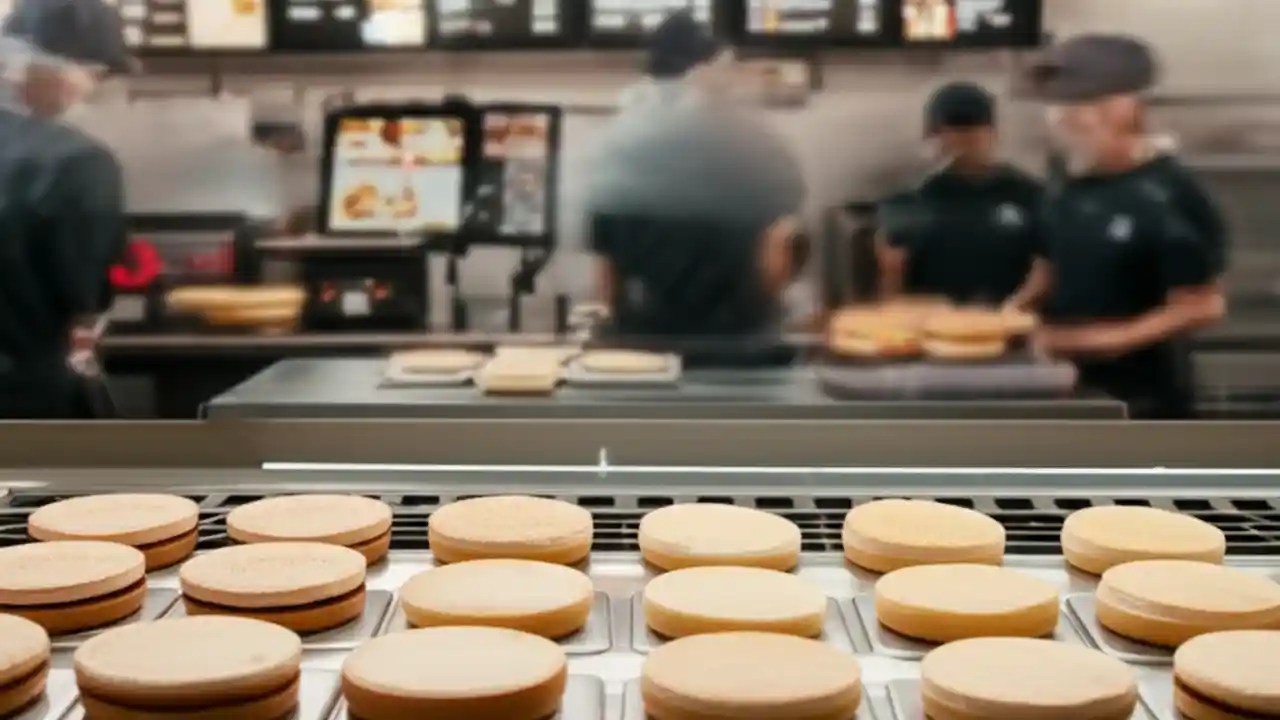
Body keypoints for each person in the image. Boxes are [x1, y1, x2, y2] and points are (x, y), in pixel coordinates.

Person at [1019, 35, 1228, 419]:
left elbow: (1202, 306)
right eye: (1056, 110)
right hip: (1068, 390)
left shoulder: (1170, 193)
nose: (1059, 123)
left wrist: (1098, 341)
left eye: (1075, 109)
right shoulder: (1065, 182)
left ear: (1123, 108)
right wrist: (1007, 319)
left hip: (1143, 401)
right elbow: (1050, 265)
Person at [586, 11, 807, 363]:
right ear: (703, 73)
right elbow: (777, 253)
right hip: (740, 353)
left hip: (643, 356)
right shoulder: (754, 147)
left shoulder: (619, 148)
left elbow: (607, 278)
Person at [0, 0, 132, 418]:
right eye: (90, 74)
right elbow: (82, 295)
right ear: (39, 65)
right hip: (24, 406)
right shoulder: (75, 161)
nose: (88, 91)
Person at [877, 82, 1046, 305]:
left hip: (1012, 319)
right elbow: (893, 277)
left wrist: (1013, 311)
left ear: (993, 134)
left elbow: (1047, 268)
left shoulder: (1029, 194)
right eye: (953, 132)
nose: (963, 142)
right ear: (932, 137)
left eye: (972, 131)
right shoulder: (910, 199)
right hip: (934, 323)